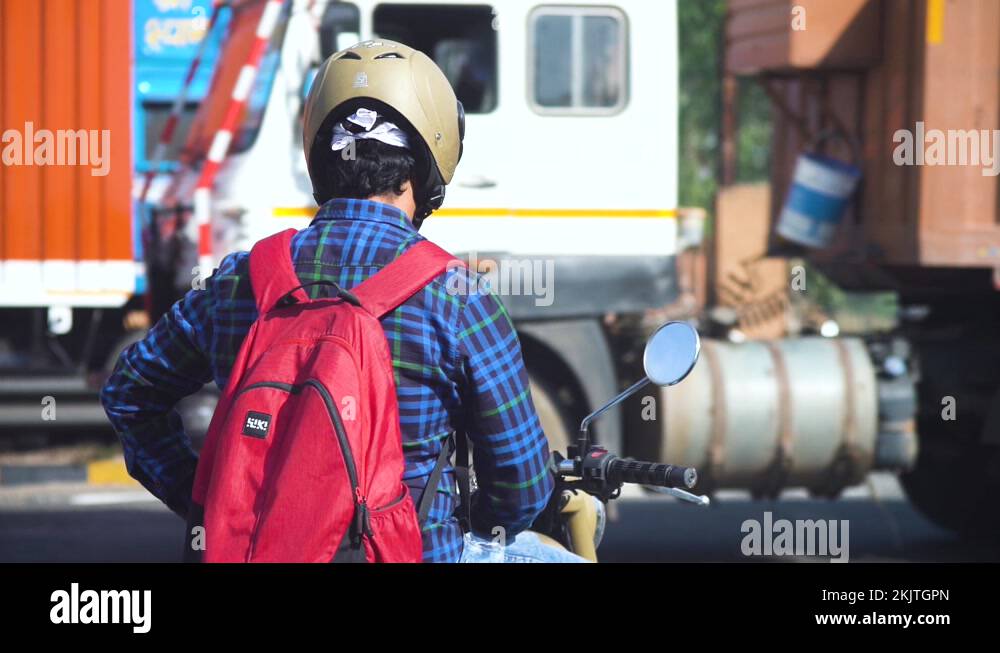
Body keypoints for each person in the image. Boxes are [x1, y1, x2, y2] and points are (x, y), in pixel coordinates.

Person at [101, 39, 586, 563]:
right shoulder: (457, 296)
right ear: (430, 162)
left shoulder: (240, 280)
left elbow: (130, 394)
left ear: (317, 154)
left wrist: (207, 500)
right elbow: (521, 486)